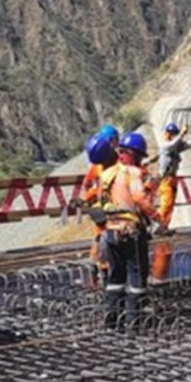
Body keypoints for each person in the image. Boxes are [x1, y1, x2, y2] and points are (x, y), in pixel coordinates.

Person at [96, 132, 157, 329]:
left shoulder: (106, 175)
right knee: (137, 278)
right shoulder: (133, 173)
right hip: (131, 232)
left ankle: (112, 320)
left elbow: (100, 201)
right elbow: (140, 198)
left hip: (110, 231)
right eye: (139, 157)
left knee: (116, 276)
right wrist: (157, 218)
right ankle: (134, 322)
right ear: (134, 154)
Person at [148, 121, 191, 282]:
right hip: (166, 179)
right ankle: (160, 227)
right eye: (172, 133)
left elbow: (188, 144)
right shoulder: (166, 145)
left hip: (172, 178)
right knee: (166, 204)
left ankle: (164, 226)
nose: (172, 136)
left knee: (170, 205)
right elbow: (173, 144)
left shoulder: (175, 145)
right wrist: (182, 133)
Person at [80, 128, 119, 287]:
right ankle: (103, 270)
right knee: (105, 239)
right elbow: (89, 184)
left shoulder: (109, 164)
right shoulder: (108, 164)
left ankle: (101, 268)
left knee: (103, 239)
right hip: (107, 209)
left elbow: (88, 184)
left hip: (107, 208)